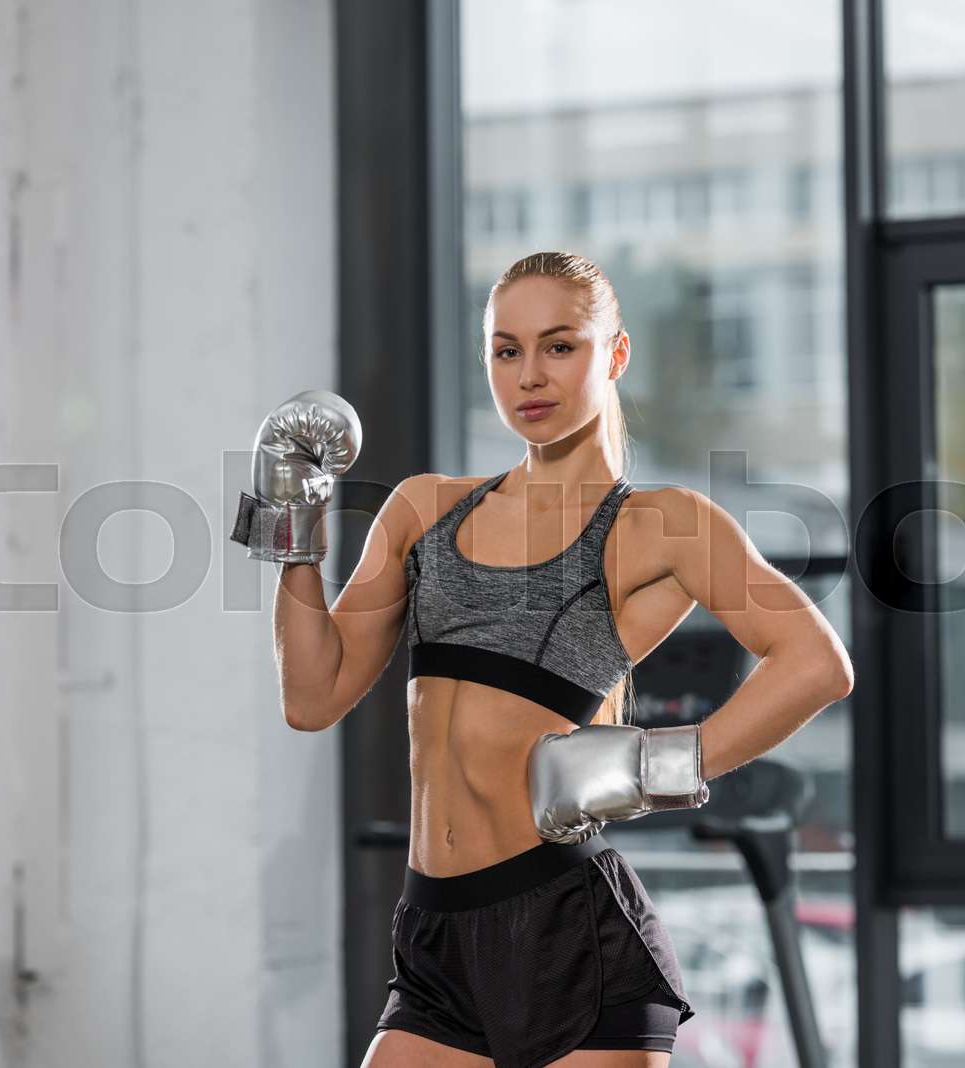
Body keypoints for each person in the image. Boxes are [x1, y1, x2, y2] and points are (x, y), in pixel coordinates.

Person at [236, 251, 855, 1068]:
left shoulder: (660, 525)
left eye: (559, 346)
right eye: (506, 350)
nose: (529, 375)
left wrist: (653, 767)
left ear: (616, 354)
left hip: (571, 937)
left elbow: (816, 663)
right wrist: (292, 523)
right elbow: (312, 697)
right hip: (435, 936)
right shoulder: (423, 508)